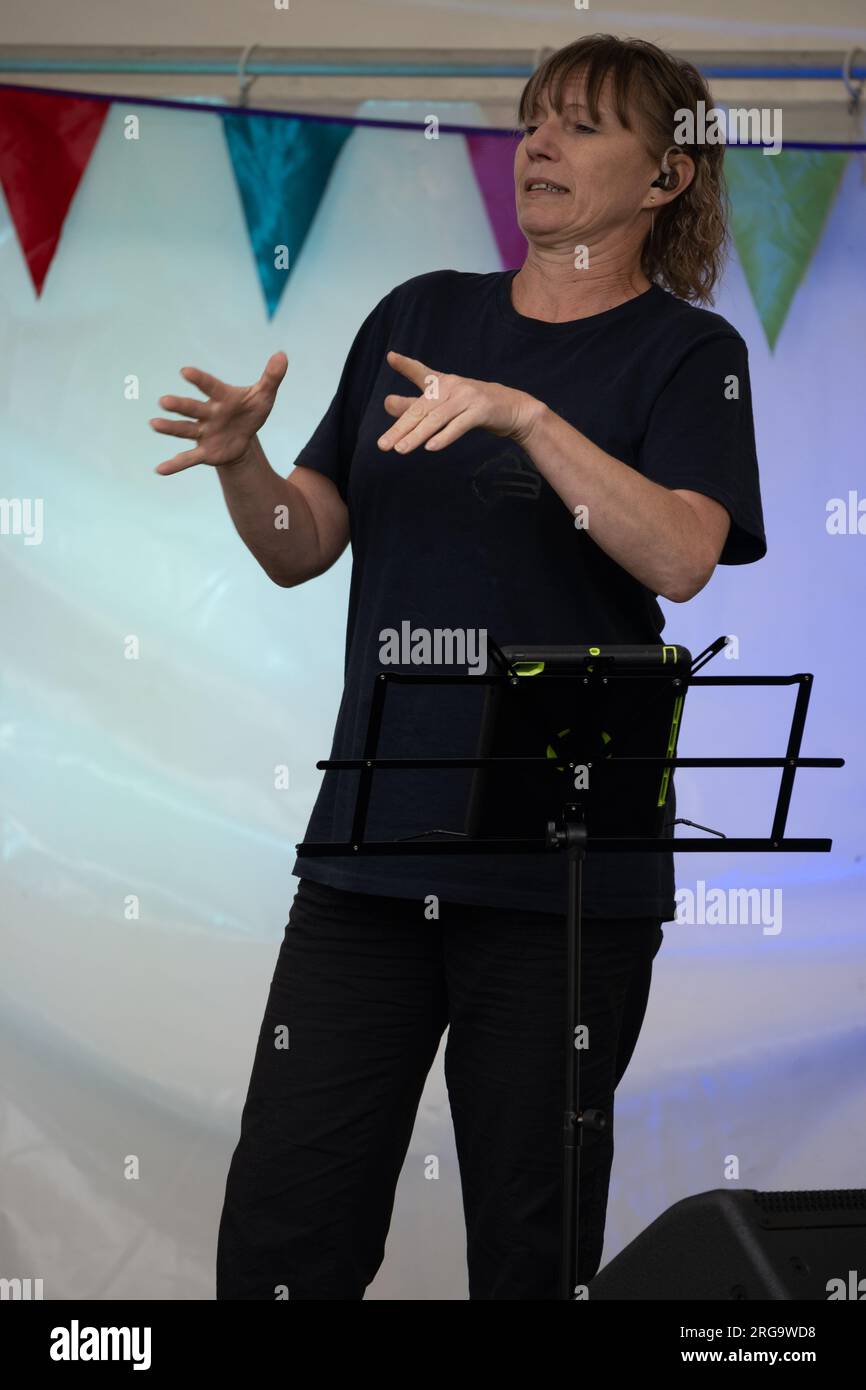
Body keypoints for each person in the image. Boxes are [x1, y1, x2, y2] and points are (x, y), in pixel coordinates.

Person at [151, 33, 767, 1299]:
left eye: (583, 125)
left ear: (665, 178)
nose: (538, 142)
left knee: (530, 1255)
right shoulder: (417, 315)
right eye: (533, 117)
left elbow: (680, 556)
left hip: (566, 883)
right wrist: (242, 467)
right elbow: (298, 544)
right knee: (281, 1233)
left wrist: (526, 415)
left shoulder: (685, 356)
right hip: (370, 863)